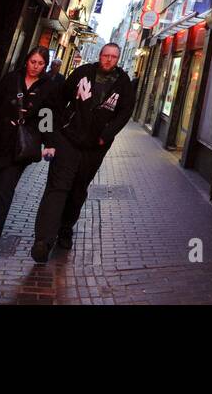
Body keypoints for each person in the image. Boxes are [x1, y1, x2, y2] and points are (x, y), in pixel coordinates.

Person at [31, 42, 135, 263]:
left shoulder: (123, 83)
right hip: (68, 140)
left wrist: (106, 134)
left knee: (78, 189)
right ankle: (43, 240)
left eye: (113, 57)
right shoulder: (83, 73)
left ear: (118, 59)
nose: (108, 60)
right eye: (105, 55)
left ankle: (66, 228)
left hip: (95, 148)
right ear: (100, 55)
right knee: (58, 186)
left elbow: (125, 112)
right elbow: (58, 101)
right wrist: (52, 134)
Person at [0, 46, 62, 270]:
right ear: (26, 61)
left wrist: (50, 144)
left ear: (45, 66)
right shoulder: (10, 79)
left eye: (40, 63)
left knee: (2, 197)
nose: (35, 66)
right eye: (32, 62)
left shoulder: (48, 87)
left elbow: (47, 117)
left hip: (18, 151)